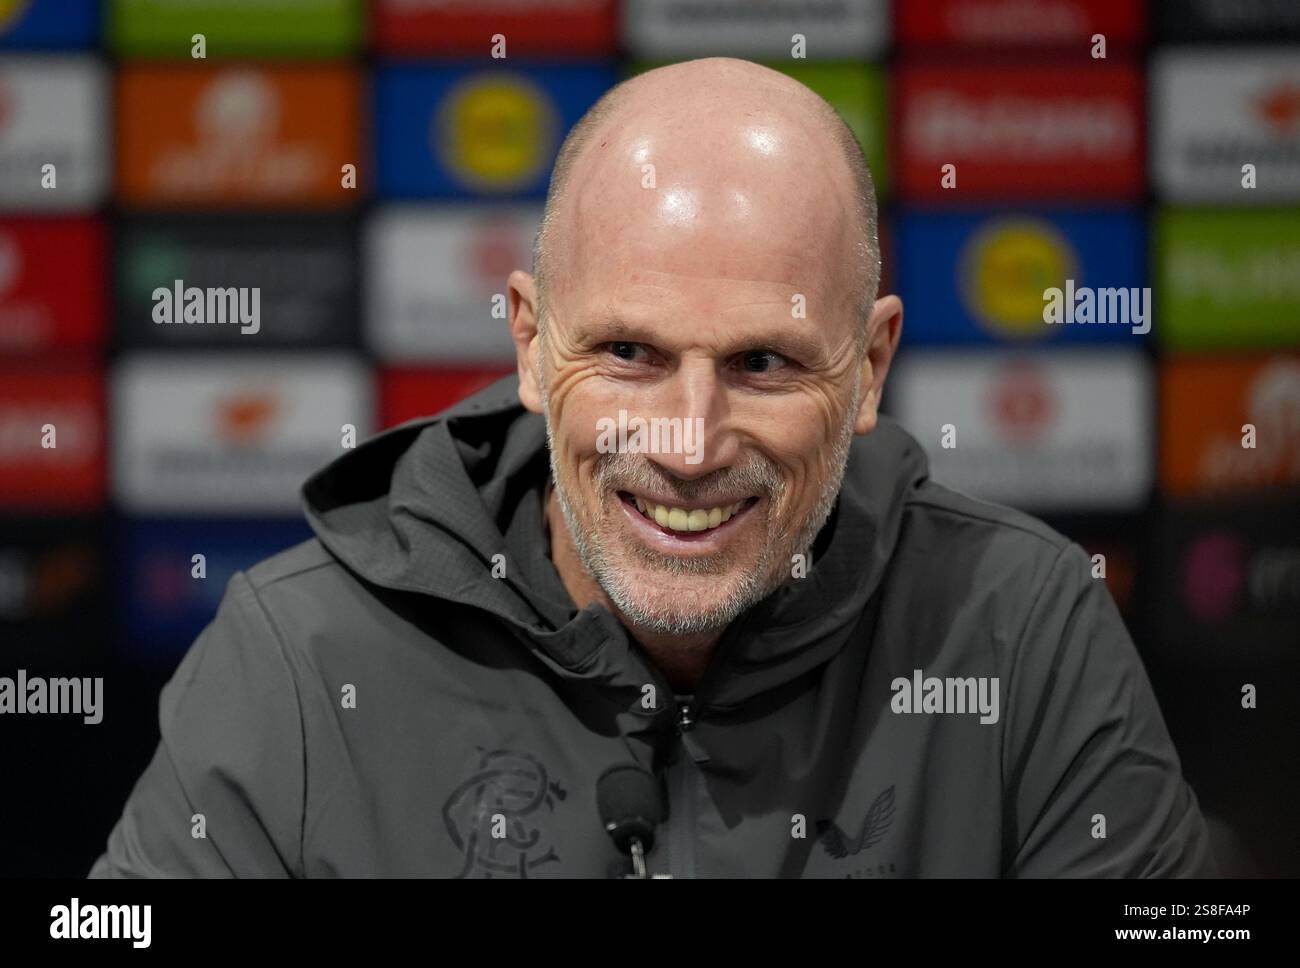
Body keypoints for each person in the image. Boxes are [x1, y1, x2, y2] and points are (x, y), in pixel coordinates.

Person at [90, 58, 1215, 878]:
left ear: (869, 367)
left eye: (763, 363)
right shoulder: (292, 659)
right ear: (531, 343)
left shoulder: (1024, 632)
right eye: (629, 353)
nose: (687, 442)